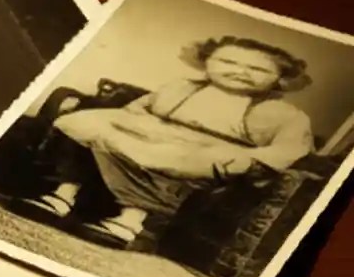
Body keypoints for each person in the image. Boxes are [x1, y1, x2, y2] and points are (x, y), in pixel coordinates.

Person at [19, 36, 314, 248]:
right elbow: (140, 109)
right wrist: (122, 121)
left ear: (280, 79)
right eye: (228, 61)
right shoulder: (181, 87)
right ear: (205, 62)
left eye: (258, 69)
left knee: (181, 162)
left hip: (204, 151)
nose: (240, 72)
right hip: (151, 131)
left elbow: (290, 149)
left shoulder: (285, 114)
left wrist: (253, 161)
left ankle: (132, 219)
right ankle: (64, 194)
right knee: (88, 125)